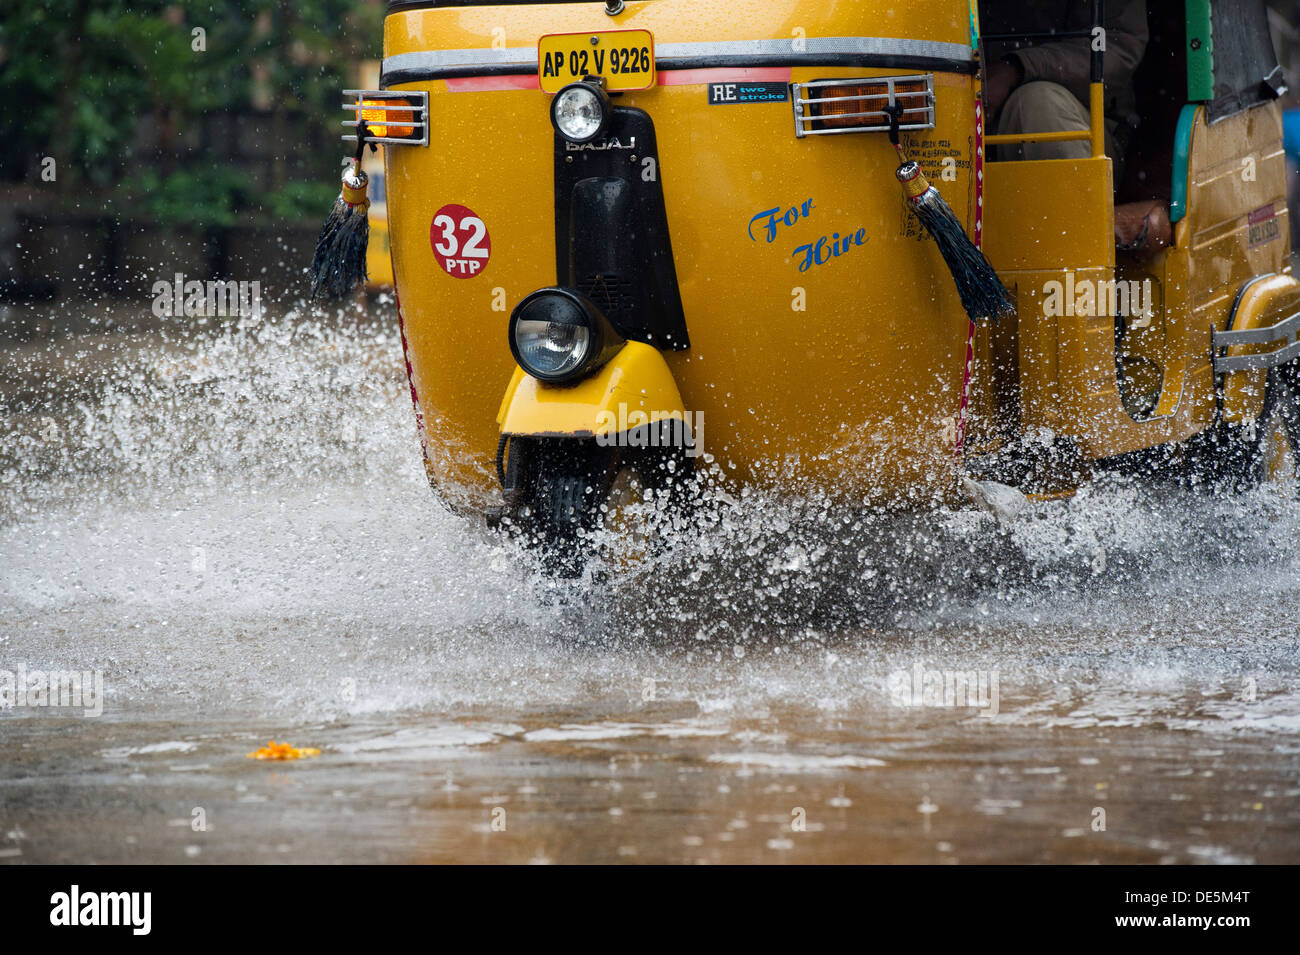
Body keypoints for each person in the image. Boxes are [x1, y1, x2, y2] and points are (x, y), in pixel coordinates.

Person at [981, 1, 1171, 258]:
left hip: (1088, 128)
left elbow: (1118, 46)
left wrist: (1016, 68)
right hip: (969, 125)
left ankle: (1073, 257)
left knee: (1037, 102)